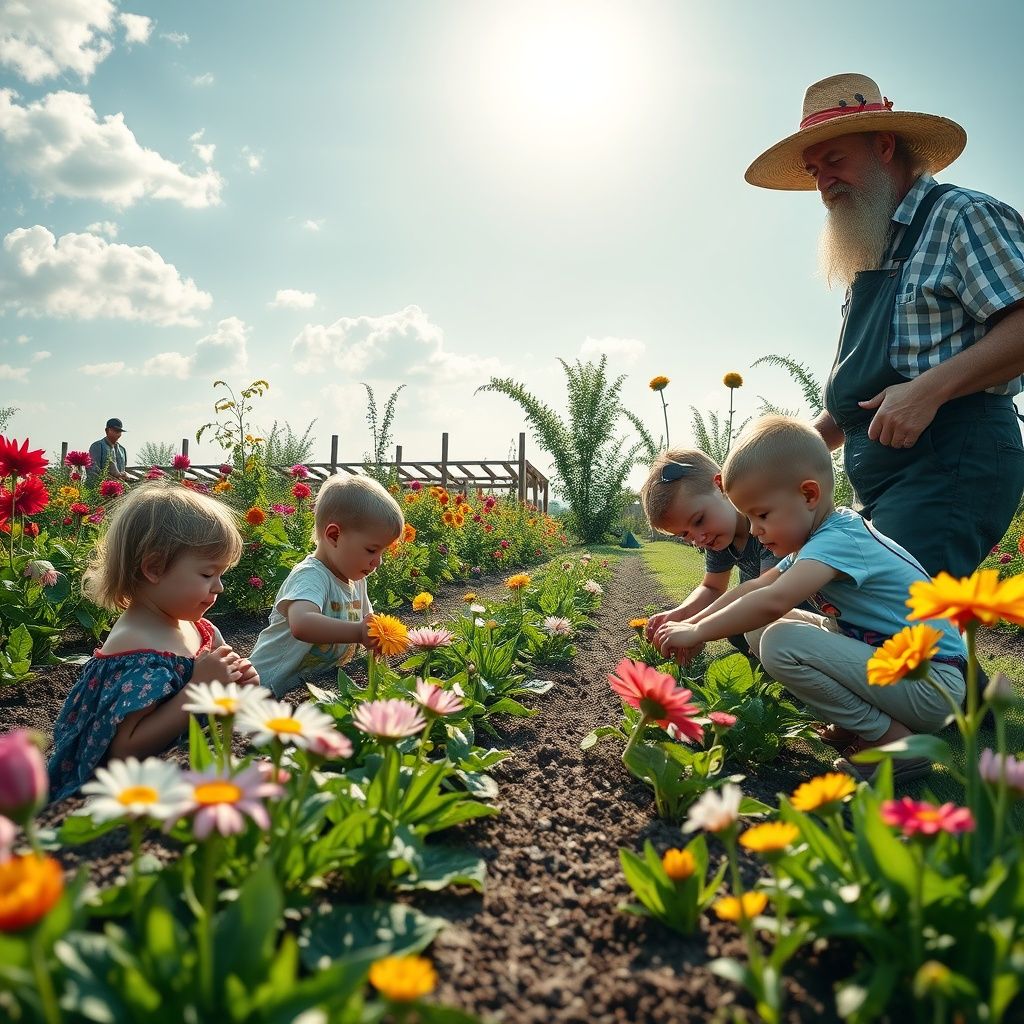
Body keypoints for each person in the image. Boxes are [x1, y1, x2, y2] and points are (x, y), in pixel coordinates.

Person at [745, 73, 1024, 579]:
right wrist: (781, 455)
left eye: (835, 160)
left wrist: (926, 393)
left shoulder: (962, 216)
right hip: (883, 476)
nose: (824, 181)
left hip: (949, 462)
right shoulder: (874, 252)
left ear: (885, 146)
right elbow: (867, 393)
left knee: (894, 627)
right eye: (813, 171)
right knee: (868, 623)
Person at [653, 416, 967, 784]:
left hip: (931, 681)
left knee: (780, 638)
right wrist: (690, 623)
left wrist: (699, 632)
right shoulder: (820, 536)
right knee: (761, 631)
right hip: (898, 670)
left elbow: (774, 599)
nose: (754, 530)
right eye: (749, 517)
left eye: (762, 515)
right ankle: (857, 725)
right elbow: (754, 588)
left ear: (808, 495)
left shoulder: (838, 539)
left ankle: (891, 743)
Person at [47, 481, 258, 800]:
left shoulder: (199, 629)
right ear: (154, 568)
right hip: (123, 795)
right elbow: (125, 753)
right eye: (207, 575)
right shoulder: (136, 648)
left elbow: (221, 690)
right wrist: (199, 689)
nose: (219, 587)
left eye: (221, 575)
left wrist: (239, 683)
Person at [250, 474, 404, 698]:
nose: (377, 561)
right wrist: (359, 632)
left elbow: (368, 625)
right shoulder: (311, 576)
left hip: (309, 688)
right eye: (372, 550)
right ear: (334, 536)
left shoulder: (358, 581)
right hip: (267, 686)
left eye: (383, 552)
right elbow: (302, 624)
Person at [639, 448, 780, 659]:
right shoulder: (719, 537)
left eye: (698, 520)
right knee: (736, 632)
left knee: (754, 629)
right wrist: (679, 614)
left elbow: (764, 589)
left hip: (810, 612)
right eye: (684, 534)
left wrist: (694, 626)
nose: (699, 538)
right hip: (768, 613)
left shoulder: (765, 522)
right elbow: (712, 587)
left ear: (721, 486)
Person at [87, 418, 129, 483]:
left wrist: (125, 476)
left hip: (121, 490)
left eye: (119, 431)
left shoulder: (122, 450)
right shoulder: (97, 446)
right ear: (107, 430)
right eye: (115, 430)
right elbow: (92, 471)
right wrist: (112, 480)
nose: (118, 434)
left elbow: (124, 470)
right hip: (100, 489)